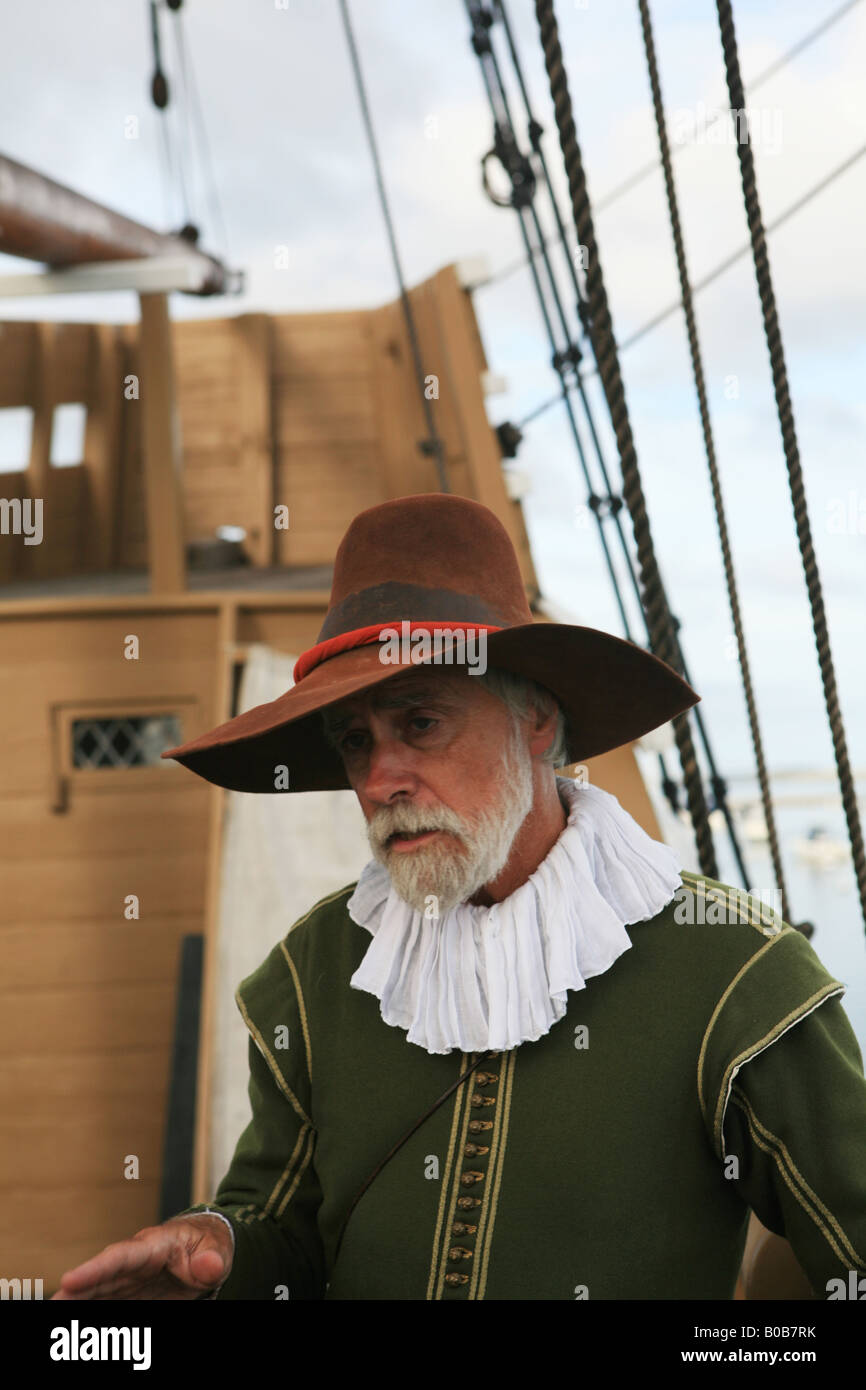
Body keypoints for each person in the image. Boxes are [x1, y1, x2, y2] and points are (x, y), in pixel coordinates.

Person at [52, 493, 866, 1301]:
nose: (379, 780)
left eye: (422, 724)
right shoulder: (314, 969)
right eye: (355, 742)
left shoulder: (738, 977)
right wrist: (220, 1250)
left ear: (537, 720)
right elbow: (285, 1233)